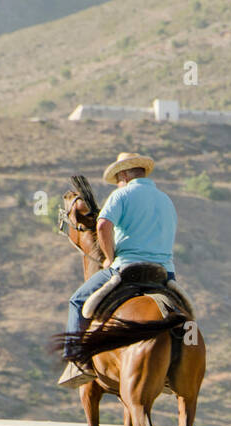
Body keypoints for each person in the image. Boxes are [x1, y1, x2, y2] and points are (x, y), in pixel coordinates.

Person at [59, 151, 178, 387]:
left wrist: (109, 259)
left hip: (128, 268)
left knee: (77, 301)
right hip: (164, 273)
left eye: (118, 179)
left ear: (123, 174)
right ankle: (176, 365)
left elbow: (102, 225)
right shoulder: (166, 200)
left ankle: (75, 362)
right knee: (186, 319)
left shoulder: (121, 195)